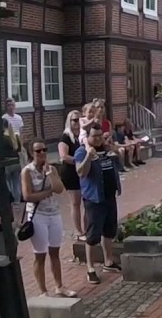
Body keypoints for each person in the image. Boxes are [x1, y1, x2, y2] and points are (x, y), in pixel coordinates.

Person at [21, 140, 73, 297]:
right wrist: (45, 193)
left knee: (55, 251)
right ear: (32, 153)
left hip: (54, 212)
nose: (42, 153)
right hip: (38, 215)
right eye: (38, 151)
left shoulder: (51, 169)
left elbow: (59, 189)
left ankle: (59, 286)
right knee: (40, 253)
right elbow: (27, 195)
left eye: (44, 150)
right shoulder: (27, 171)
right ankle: (43, 290)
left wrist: (50, 173)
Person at [75, 122, 122, 284]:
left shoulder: (107, 149)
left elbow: (117, 167)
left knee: (109, 230)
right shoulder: (82, 152)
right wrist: (89, 155)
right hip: (94, 198)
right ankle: (90, 268)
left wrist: (116, 152)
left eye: (100, 135)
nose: (98, 139)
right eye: (94, 136)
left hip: (109, 195)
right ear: (87, 137)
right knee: (93, 234)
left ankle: (108, 261)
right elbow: (81, 172)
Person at [57, 111, 85, 241]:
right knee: (75, 203)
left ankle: (87, 227)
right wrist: (79, 161)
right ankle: (78, 230)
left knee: (87, 200)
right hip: (71, 172)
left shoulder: (83, 135)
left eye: (79, 119)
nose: (77, 122)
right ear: (69, 121)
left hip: (84, 171)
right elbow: (64, 156)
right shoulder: (66, 136)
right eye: (74, 120)